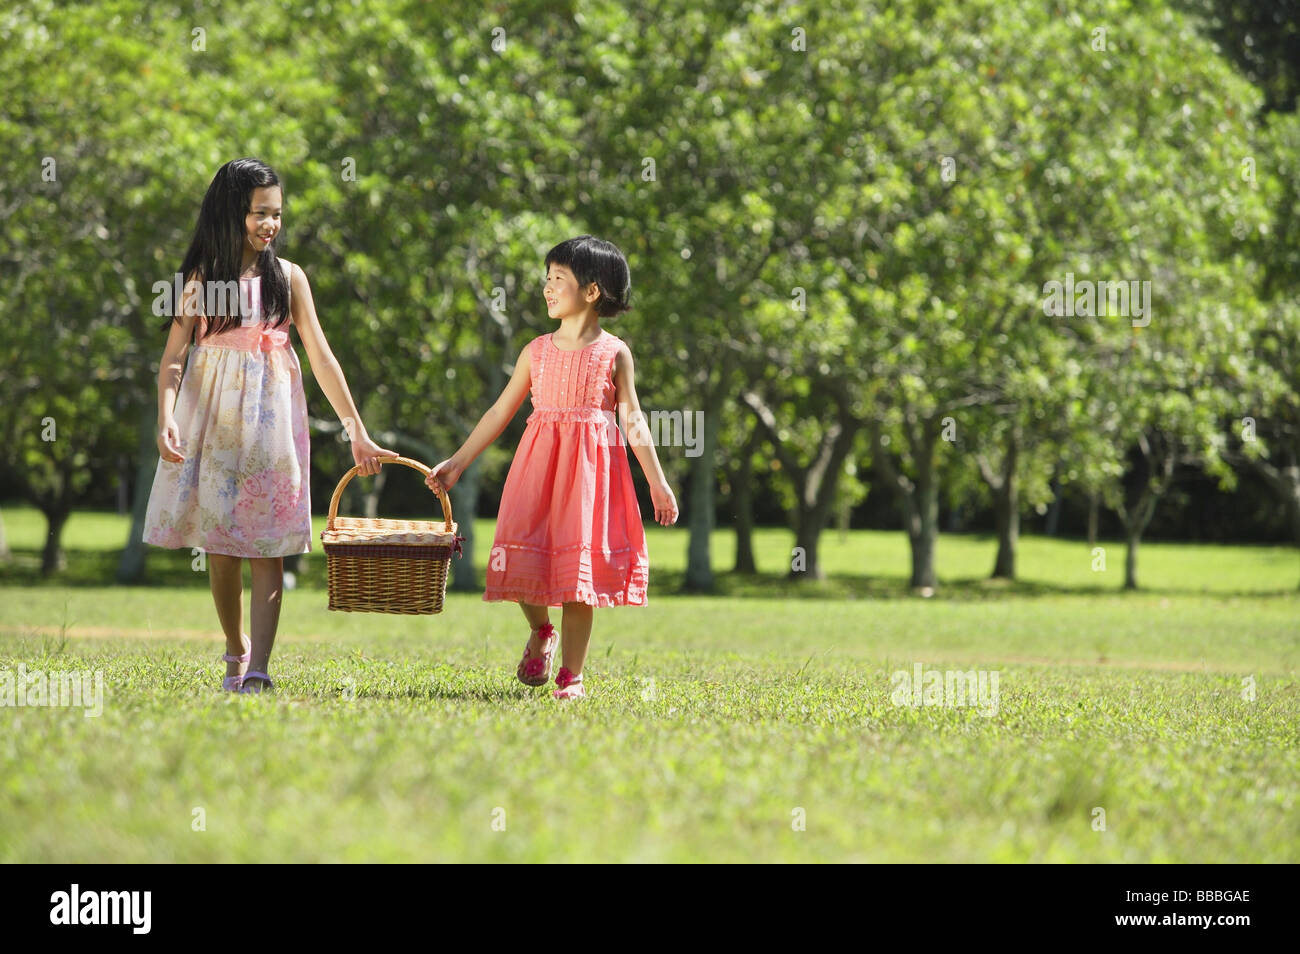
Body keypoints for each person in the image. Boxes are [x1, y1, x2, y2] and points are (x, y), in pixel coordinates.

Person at [144, 158, 393, 694]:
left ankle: (259, 668)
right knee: (222, 549)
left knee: (268, 545)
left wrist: (355, 428)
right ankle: (235, 648)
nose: (270, 224)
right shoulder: (201, 281)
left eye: (276, 214)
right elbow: (172, 359)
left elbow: (323, 359)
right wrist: (165, 417)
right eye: (260, 213)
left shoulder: (289, 278)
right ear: (232, 213)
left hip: (273, 429)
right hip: (213, 427)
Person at [426, 235, 678, 700]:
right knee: (523, 556)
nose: (547, 288)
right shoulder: (535, 351)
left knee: (578, 576)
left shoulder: (614, 353)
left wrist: (658, 484)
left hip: (589, 479)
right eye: (547, 279)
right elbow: (499, 412)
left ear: (592, 290)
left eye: (558, 279)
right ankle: (541, 630)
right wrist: (458, 462)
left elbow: (633, 419)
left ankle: (572, 675)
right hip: (537, 470)